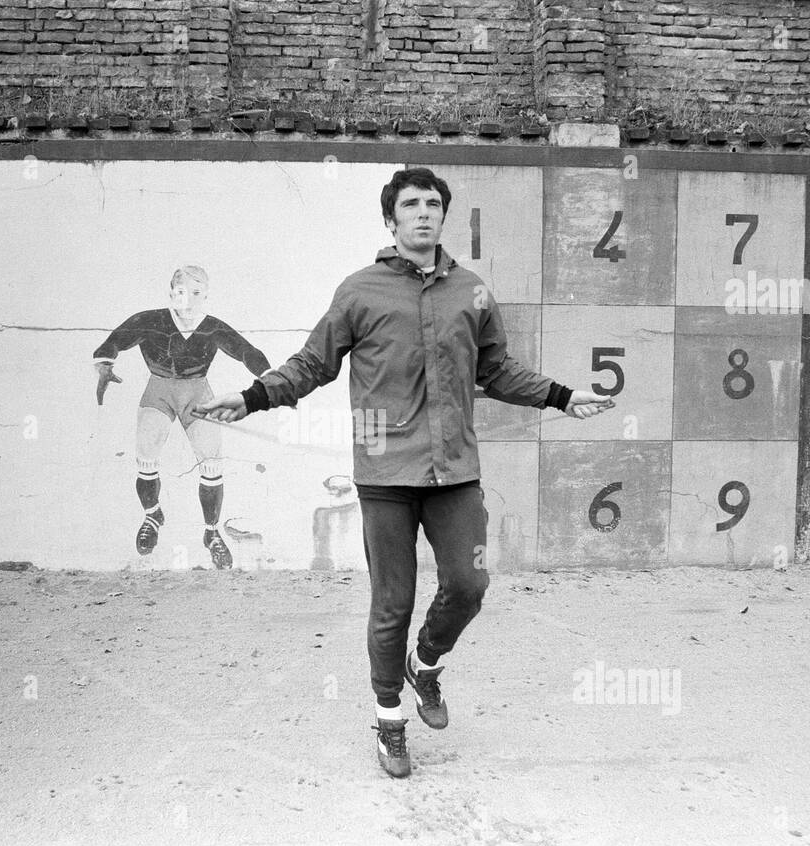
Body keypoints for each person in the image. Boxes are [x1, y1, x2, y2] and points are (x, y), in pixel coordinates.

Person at [194, 168, 613, 777]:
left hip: (455, 472)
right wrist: (253, 396)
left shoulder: (473, 292)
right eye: (411, 205)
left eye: (433, 204)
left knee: (469, 587)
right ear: (391, 221)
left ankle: (427, 663)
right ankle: (389, 720)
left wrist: (561, 395)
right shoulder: (359, 291)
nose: (424, 212)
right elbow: (313, 363)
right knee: (392, 603)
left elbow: (497, 372)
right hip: (386, 474)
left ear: (444, 217)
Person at [94, 265, 271, 570]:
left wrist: (271, 380)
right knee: (146, 457)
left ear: (206, 296)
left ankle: (212, 533)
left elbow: (246, 351)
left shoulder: (213, 326)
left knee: (212, 464)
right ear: (170, 293)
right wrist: (105, 365)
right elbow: (115, 340)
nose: (187, 301)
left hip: (198, 394)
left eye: (196, 293)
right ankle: (152, 514)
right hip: (158, 391)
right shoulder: (150, 320)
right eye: (180, 292)